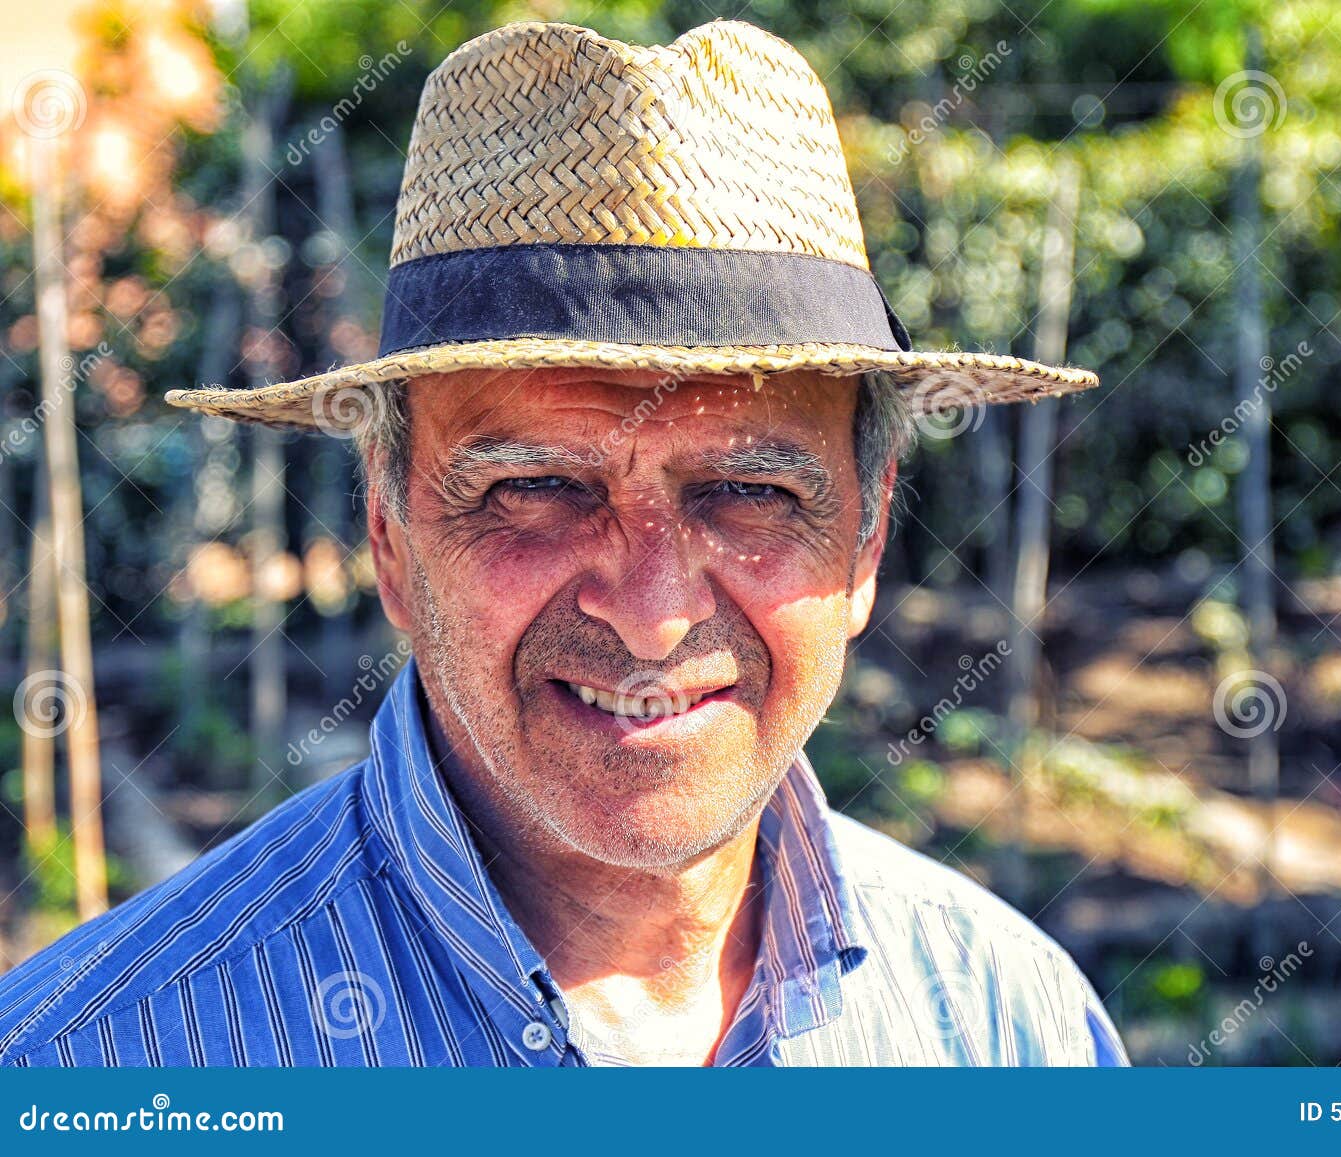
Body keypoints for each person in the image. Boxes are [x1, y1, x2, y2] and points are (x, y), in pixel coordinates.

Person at [0, 17, 1123, 1067]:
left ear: (866, 539)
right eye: (536, 487)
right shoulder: (104, 1060)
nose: (653, 612)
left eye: (747, 490)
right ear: (391, 537)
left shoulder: (1010, 1023)